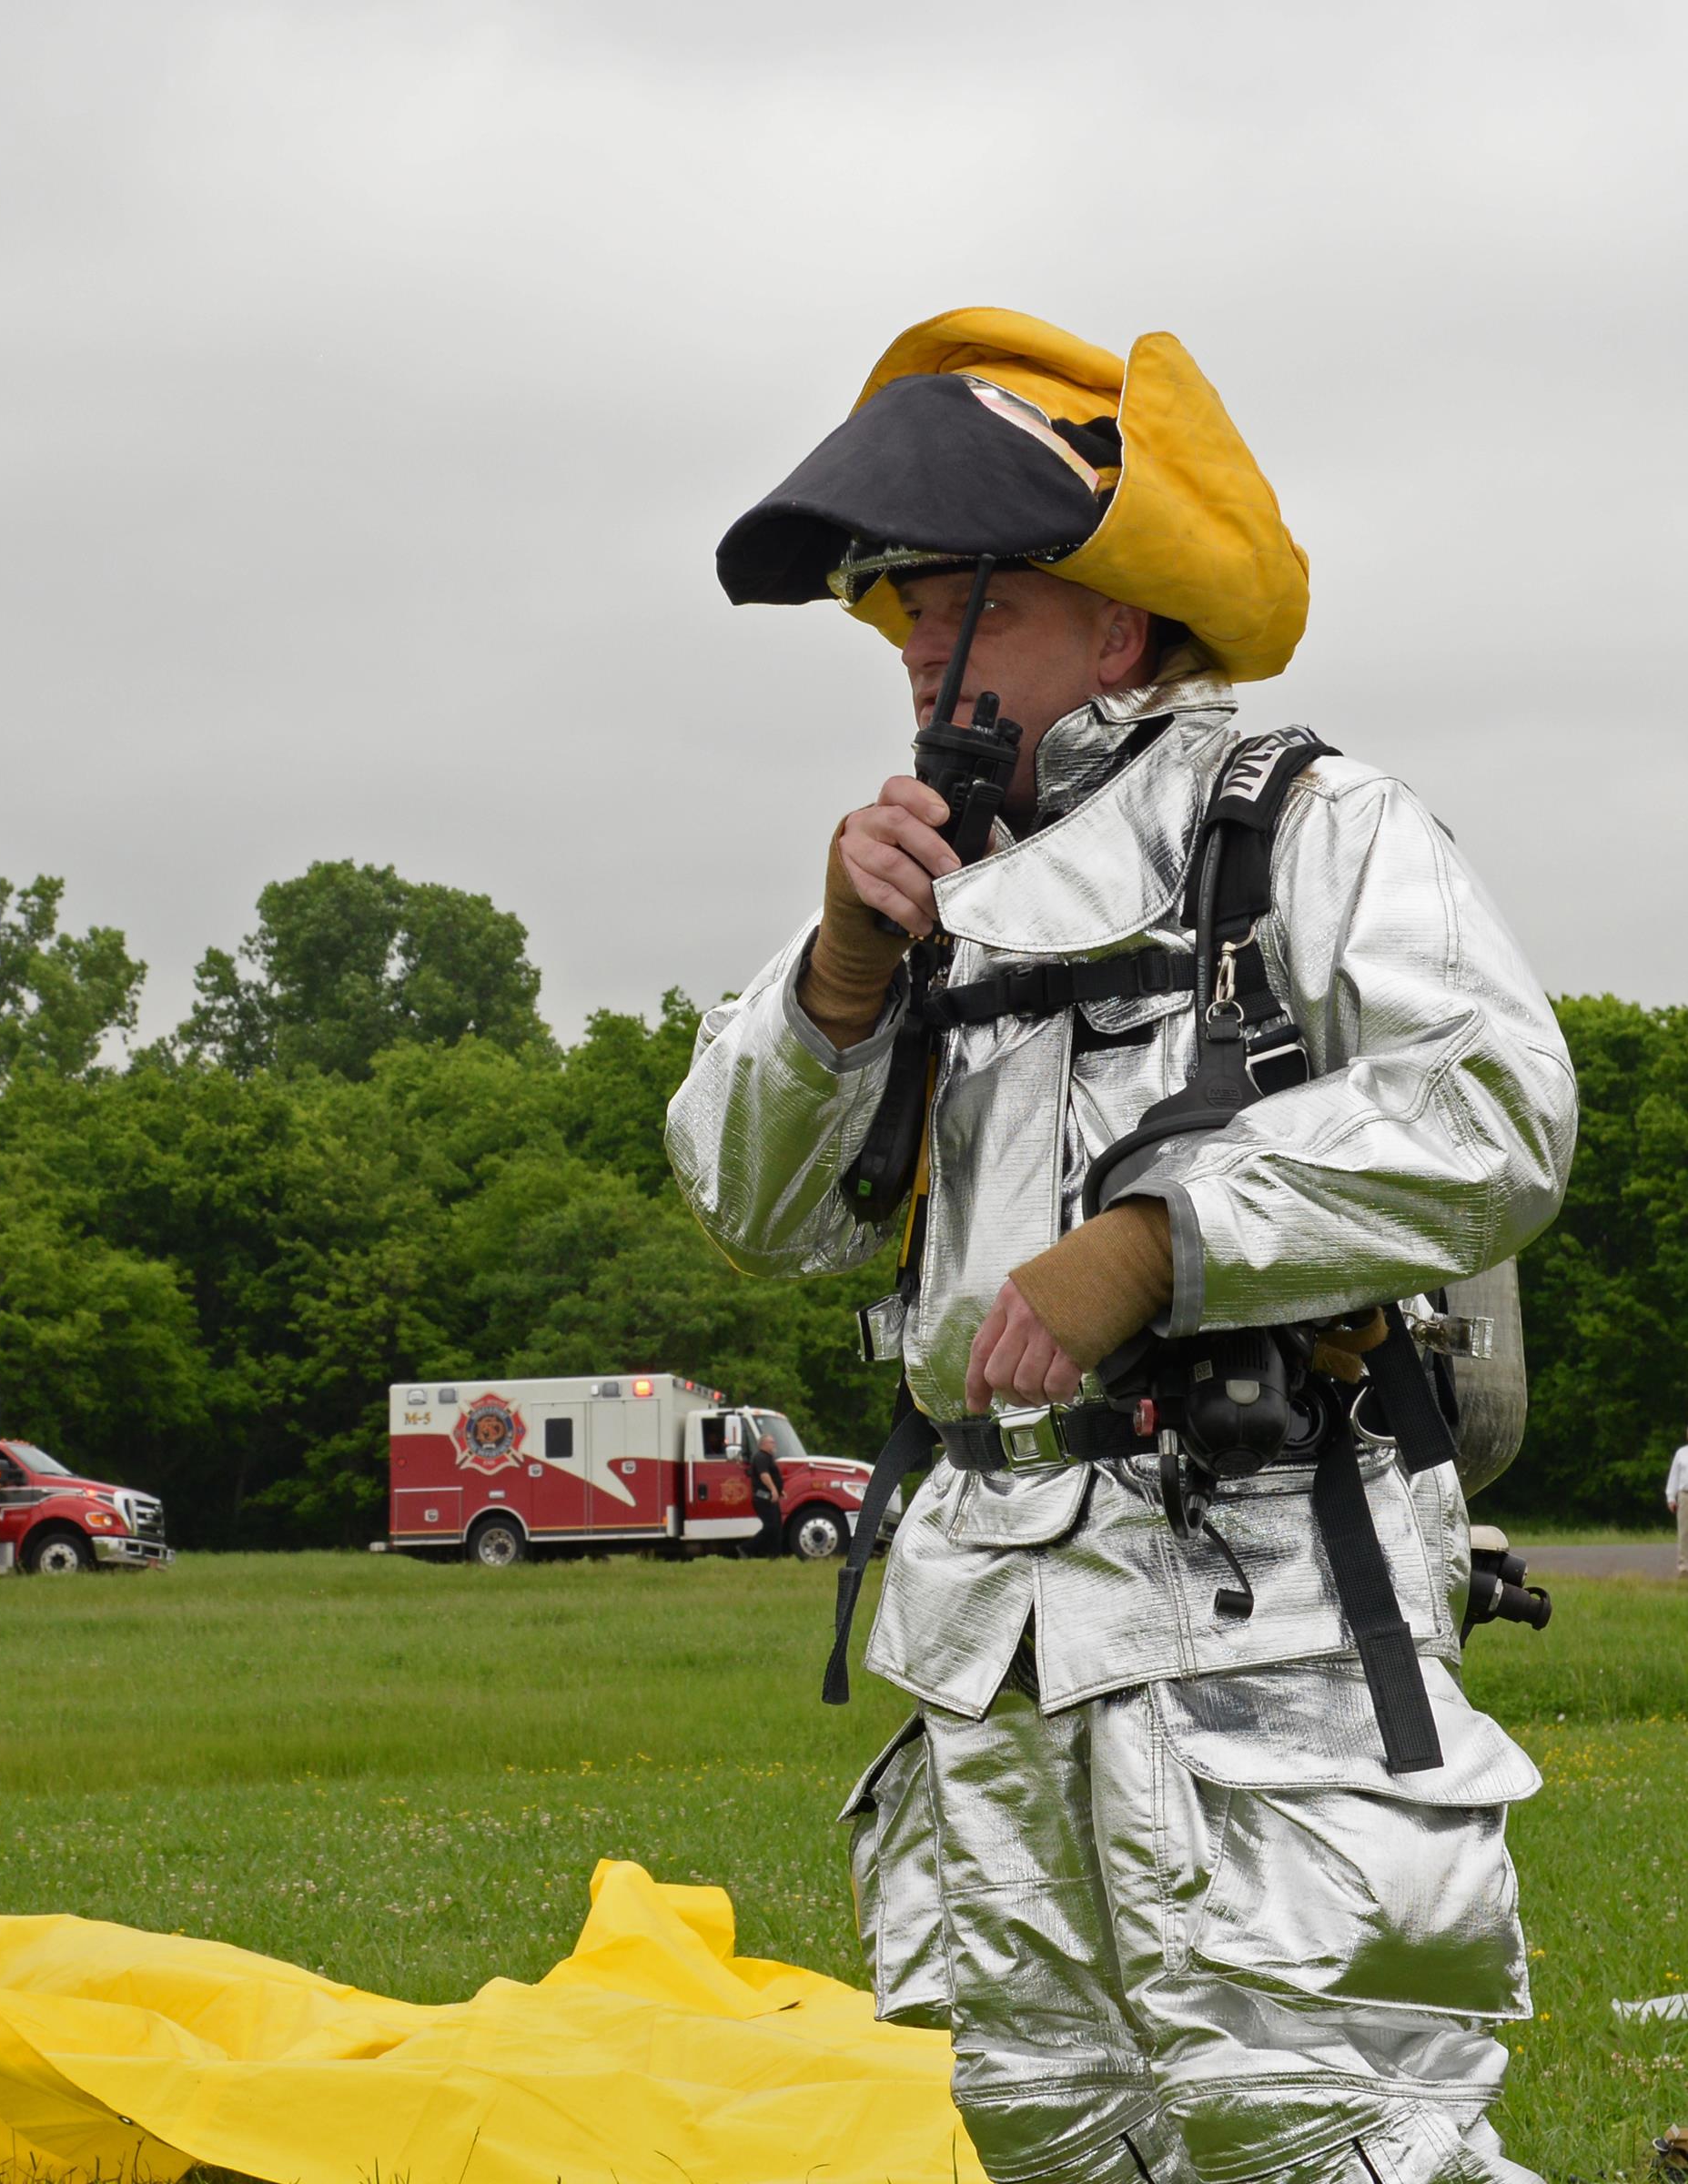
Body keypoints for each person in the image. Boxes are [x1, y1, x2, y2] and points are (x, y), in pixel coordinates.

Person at [670, 309, 1575, 2182]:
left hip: (1270, 1602)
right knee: (1049, 2127)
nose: (924, 645)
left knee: (1328, 2133)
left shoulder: (1308, 826)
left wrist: (1156, 1240)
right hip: (984, 1628)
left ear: (1122, 625)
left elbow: (1495, 1110)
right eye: (910, 612)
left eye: (975, 604)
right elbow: (751, 1205)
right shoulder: (929, 889)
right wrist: (844, 969)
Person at [1668, 1440, 1688, 1580]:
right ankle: (1684, 1568)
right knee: (1684, 1532)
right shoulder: (1681, 1453)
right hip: (1685, 1495)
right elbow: (1674, 1476)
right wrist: (1671, 1497)